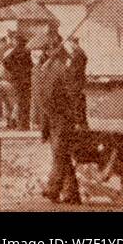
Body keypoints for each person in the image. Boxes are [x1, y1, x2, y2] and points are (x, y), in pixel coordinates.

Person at [41, 37, 88, 204]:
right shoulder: (59, 69)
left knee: (60, 153)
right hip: (60, 117)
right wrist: (81, 120)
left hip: (56, 118)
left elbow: (47, 97)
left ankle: (59, 190)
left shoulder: (47, 68)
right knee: (62, 154)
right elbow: (73, 95)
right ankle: (67, 192)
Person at [0, 34, 32, 129]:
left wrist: (13, 72)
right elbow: (30, 66)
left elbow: (5, 62)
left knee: (19, 102)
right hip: (25, 80)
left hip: (17, 80)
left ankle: (20, 124)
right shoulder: (26, 52)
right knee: (24, 103)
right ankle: (24, 125)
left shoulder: (14, 51)